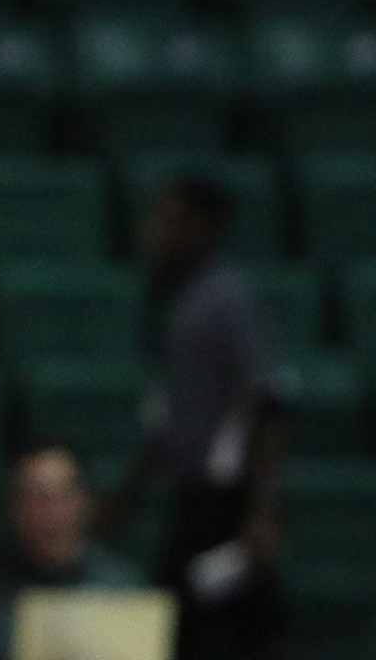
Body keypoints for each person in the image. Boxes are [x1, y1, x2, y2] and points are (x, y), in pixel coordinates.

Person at [104, 179, 287, 660]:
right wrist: (129, 492)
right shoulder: (177, 304)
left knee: (226, 626)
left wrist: (259, 511)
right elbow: (172, 421)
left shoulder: (226, 302)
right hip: (191, 498)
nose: (155, 233)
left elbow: (266, 405)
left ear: (202, 228)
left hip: (225, 502)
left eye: (169, 220)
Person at [0, 442, 146, 660]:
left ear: (84, 502)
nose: (51, 512)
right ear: (15, 507)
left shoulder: (124, 588)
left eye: (61, 495)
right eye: (37, 497)